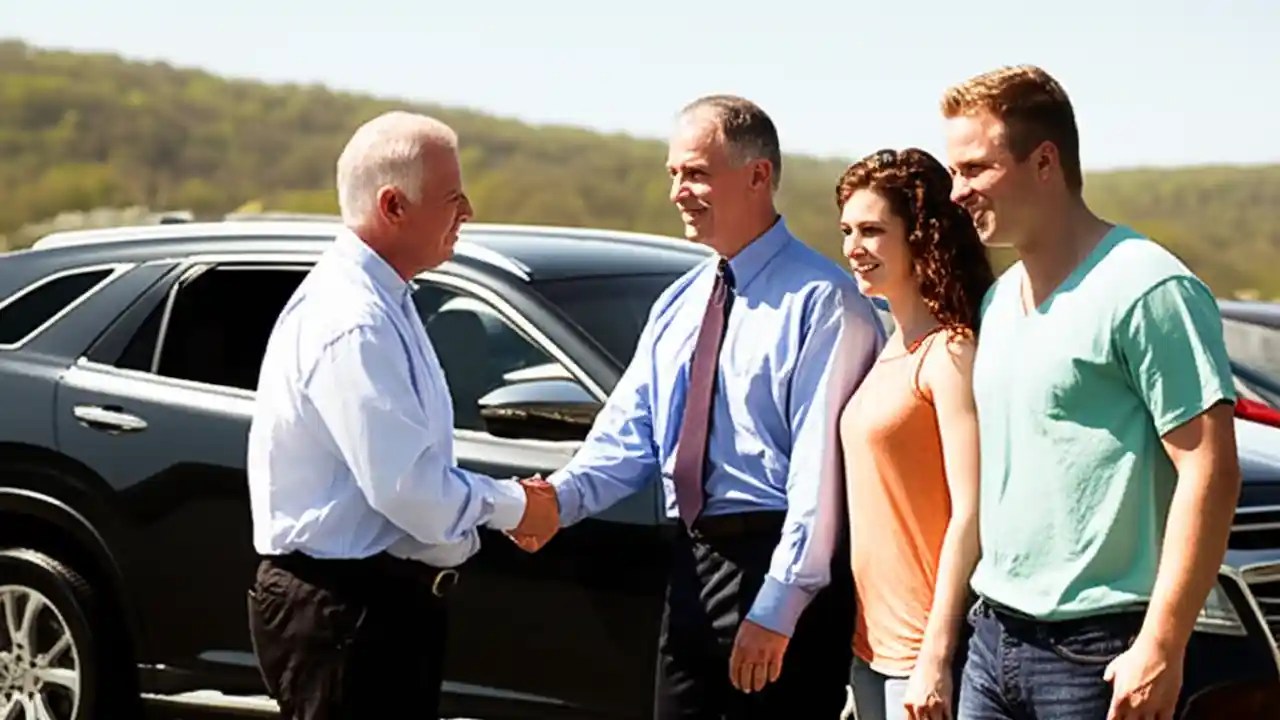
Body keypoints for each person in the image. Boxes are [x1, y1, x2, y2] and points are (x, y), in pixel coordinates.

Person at [511, 94, 886, 718]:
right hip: (690, 563)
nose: (679, 191)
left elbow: (818, 476)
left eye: (696, 172)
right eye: (673, 174)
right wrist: (559, 500)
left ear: (758, 175)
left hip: (776, 568)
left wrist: (779, 605)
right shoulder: (681, 302)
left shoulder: (823, 302)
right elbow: (628, 435)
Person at [940, 65, 1249, 719]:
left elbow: (1211, 471)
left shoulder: (1147, 286)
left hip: (1100, 655)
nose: (956, 192)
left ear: (1044, 160)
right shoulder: (999, 301)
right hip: (993, 639)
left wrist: (1161, 644)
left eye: (973, 169)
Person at [245, 110, 559, 719]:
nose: (467, 211)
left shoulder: (384, 299)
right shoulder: (353, 319)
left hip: (372, 608)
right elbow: (410, 491)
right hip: (346, 611)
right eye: (452, 197)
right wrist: (518, 505)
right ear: (392, 206)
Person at [833, 148, 993, 720]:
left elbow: (970, 514)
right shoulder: (884, 352)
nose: (854, 246)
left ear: (921, 237)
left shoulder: (950, 353)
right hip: (869, 654)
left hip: (927, 658)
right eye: (848, 229)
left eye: (873, 230)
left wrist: (934, 657)